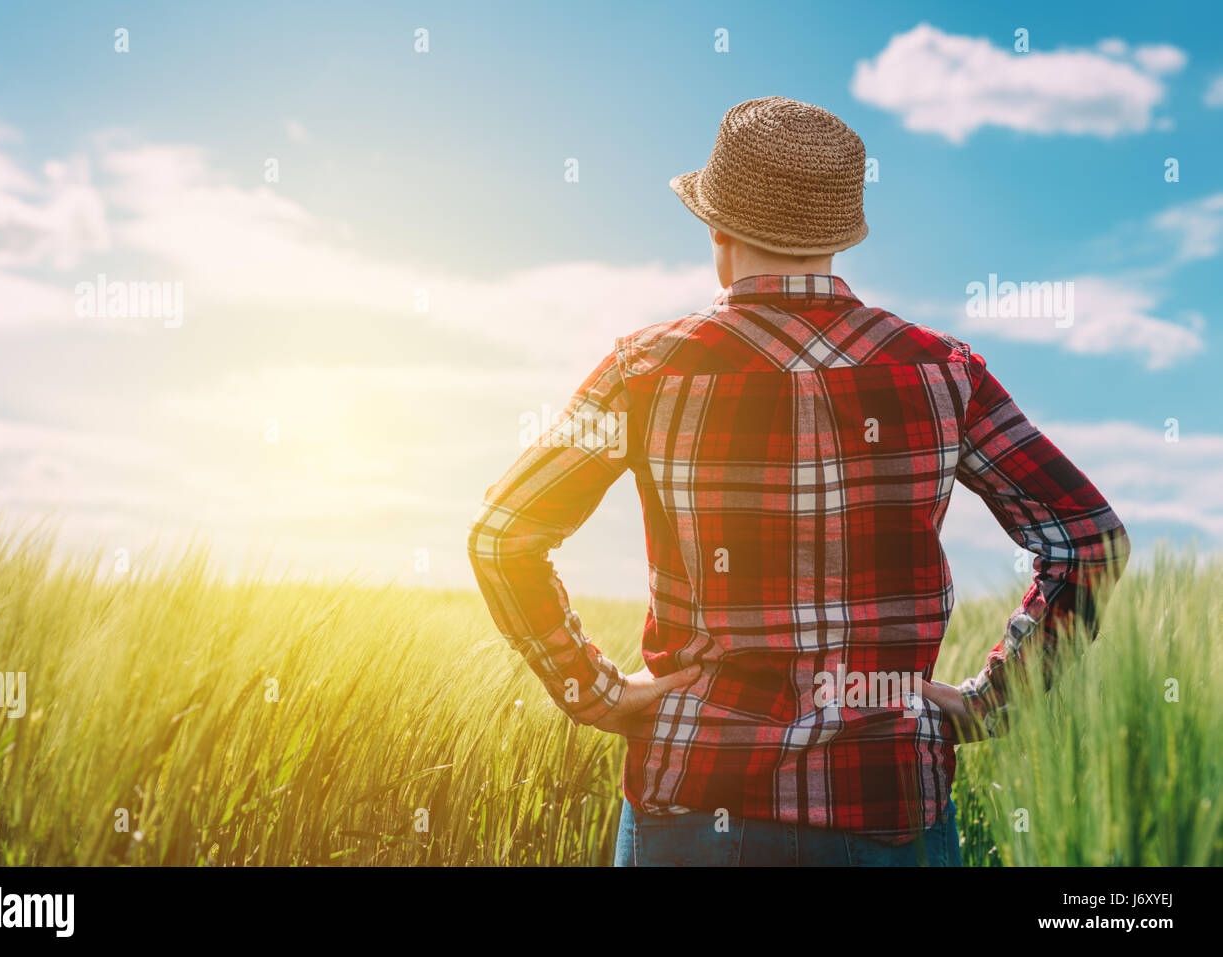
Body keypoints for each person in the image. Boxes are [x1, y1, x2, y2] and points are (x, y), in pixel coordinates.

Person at [466, 96, 1129, 866]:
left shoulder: (644, 372)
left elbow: (503, 534)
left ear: (716, 227)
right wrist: (993, 703)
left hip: (692, 807)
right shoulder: (944, 373)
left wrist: (597, 693)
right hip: (889, 806)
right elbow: (1089, 538)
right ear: (840, 238)